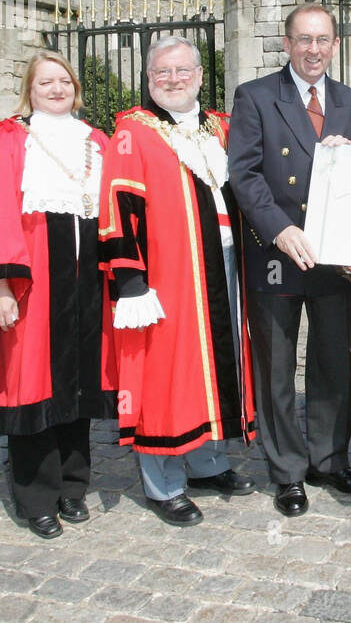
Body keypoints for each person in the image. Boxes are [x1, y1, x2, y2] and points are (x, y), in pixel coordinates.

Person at [98, 36, 256, 527]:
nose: (172, 80)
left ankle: (208, 463)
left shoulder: (221, 128)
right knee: (167, 374)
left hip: (228, 265)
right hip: (168, 276)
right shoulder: (134, 133)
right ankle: (163, 482)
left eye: (182, 71)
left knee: (216, 364)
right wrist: (129, 281)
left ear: (200, 76)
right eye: (161, 73)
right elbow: (116, 208)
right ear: (148, 80)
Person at [228, 4, 351, 518]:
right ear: (286, 44)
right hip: (277, 251)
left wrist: (347, 156)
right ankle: (287, 471)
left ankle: (329, 460)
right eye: (303, 39)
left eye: (323, 40)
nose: (314, 49)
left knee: (334, 360)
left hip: (331, 255)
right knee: (277, 367)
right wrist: (280, 229)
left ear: (334, 45)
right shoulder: (256, 96)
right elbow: (243, 176)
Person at [0, 51, 117, 539]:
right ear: (29, 91)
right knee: (30, 386)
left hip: (87, 286)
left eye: (64, 81)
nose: (56, 89)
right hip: (33, 286)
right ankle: (36, 497)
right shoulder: (9, 142)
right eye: (45, 83)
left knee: (76, 385)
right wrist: (0, 288)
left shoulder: (97, 141)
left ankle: (73, 487)